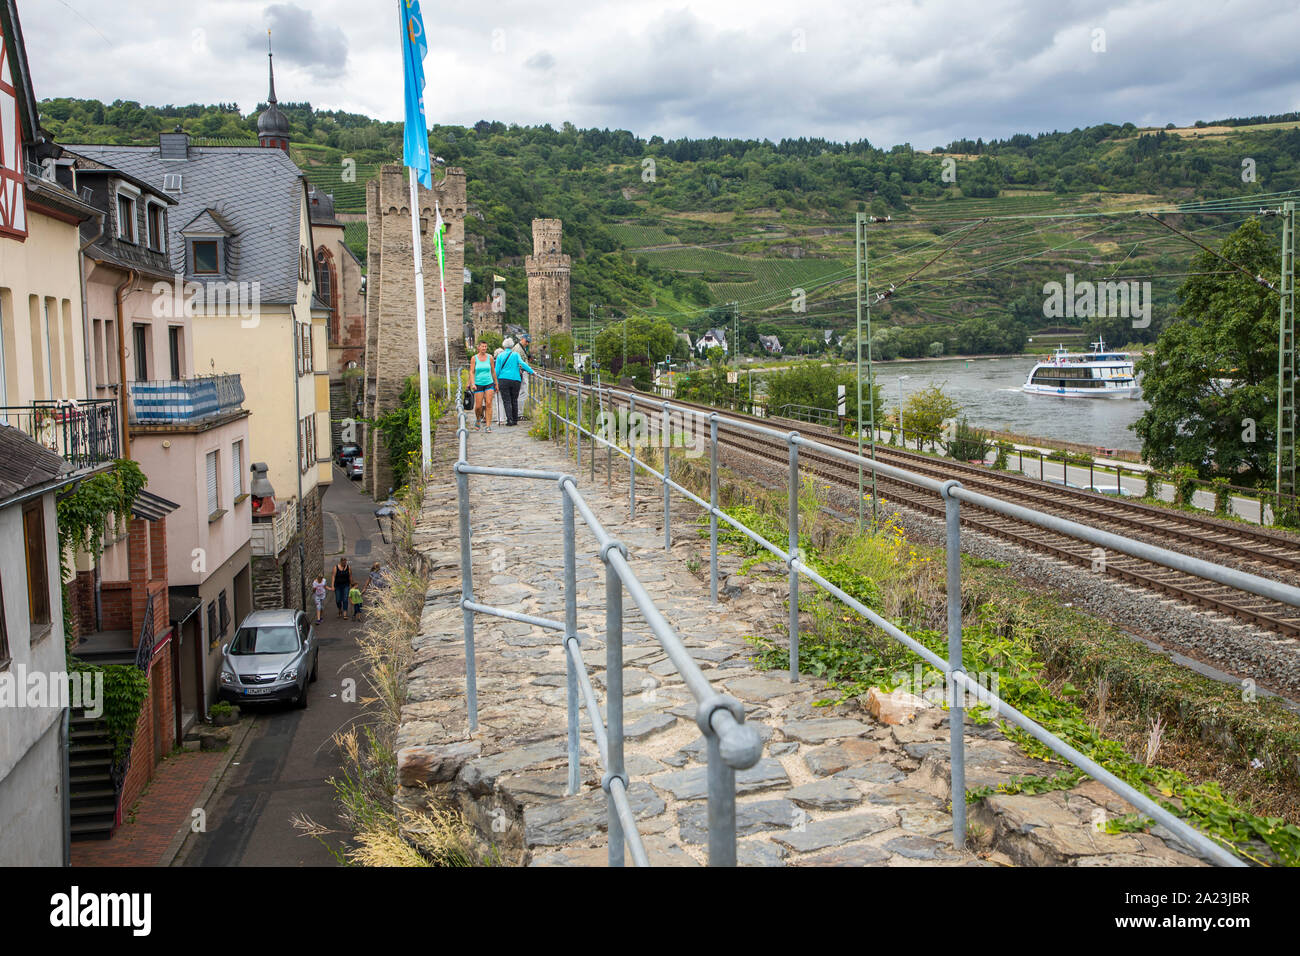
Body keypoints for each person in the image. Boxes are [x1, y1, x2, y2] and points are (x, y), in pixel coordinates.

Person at [495, 336, 536, 426]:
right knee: (514, 400)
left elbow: (497, 370)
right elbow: (523, 364)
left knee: (506, 400)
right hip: (515, 380)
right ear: (512, 345)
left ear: (504, 346)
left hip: (503, 380)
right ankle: (515, 420)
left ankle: (509, 420)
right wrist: (532, 372)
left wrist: (495, 381)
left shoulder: (500, 356)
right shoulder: (516, 355)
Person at [471, 340, 499, 432]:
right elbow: (471, 372)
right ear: (478, 347)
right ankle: (478, 419)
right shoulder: (474, 358)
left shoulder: (490, 357)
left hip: (489, 383)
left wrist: (496, 383)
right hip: (478, 384)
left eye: (485, 347)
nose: (484, 348)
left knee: (488, 403)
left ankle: (488, 426)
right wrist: (472, 383)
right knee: (478, 406)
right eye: (482, 346)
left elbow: (493, 371)